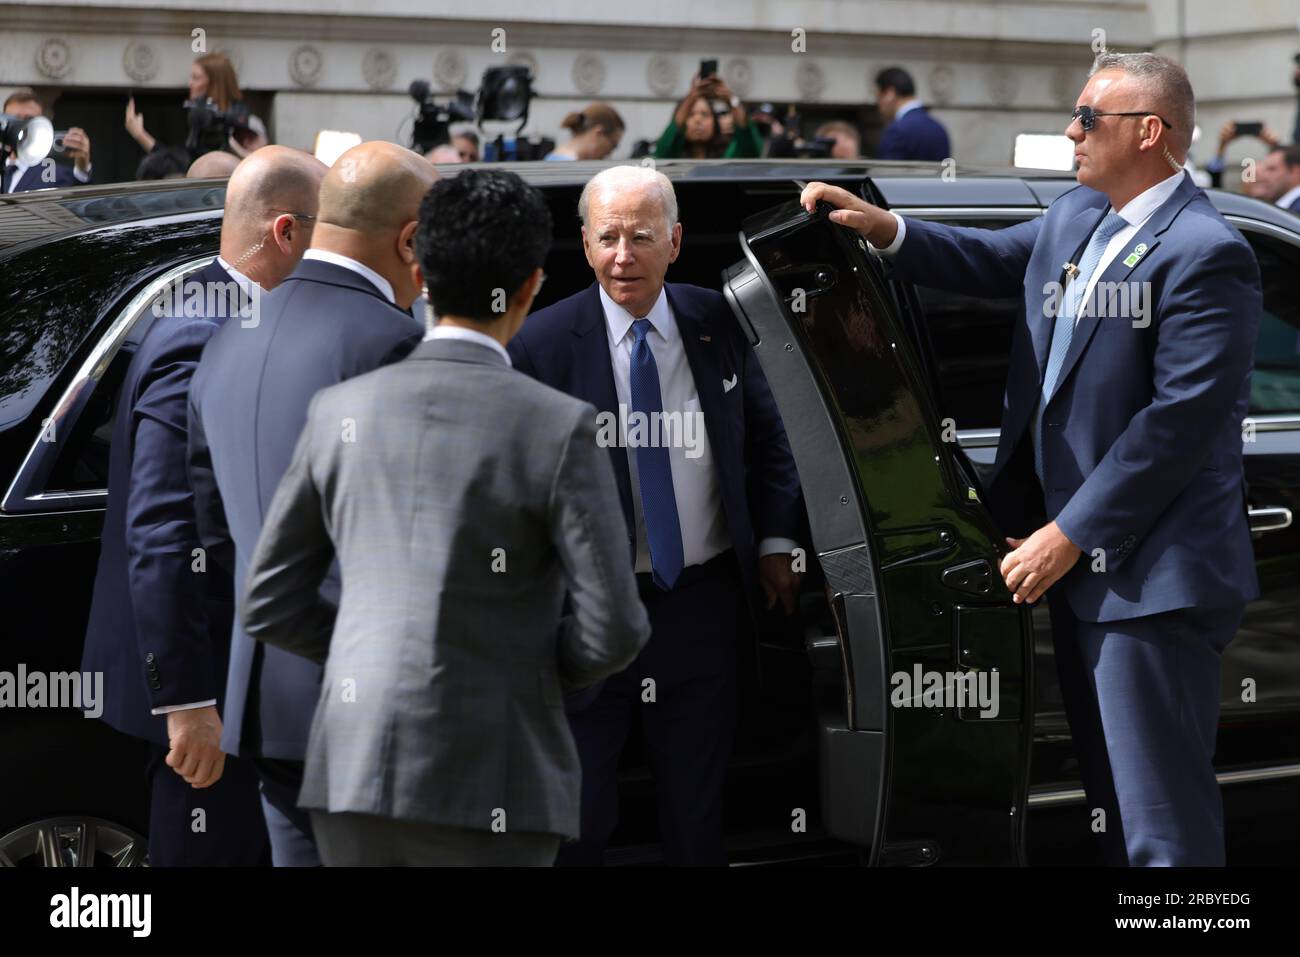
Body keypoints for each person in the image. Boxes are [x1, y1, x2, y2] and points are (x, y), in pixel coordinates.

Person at [803, 52, 1260, 866]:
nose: (1070, 131)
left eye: (1088, 117)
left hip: (1150, 580)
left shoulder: (1204, 250)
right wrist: (885, 229)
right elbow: (992, 260)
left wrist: (1069, 533)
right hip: (1084, 575)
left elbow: (1178, 422)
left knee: (1160, 822)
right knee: (1112, 804)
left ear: (1149, 131)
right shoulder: (1080, 212)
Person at [241, 168, 651, 866]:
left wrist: (374, 655)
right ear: (531, 286)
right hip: (495, 775)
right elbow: (615, 626)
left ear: (420, 273)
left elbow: (270, 598)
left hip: (352, 774)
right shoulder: (557, 426)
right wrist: (519, 671)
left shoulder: (339, 410)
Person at [508, 165, 803, 865]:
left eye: (641, 237)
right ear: (584, 243)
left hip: (700, 602)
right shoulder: (540, 345)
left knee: (695, 814)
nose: (622, 256)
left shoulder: (720, 321)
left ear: (674, 242)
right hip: (587, 609)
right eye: (607, 237)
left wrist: (777, 540)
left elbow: (773, 436)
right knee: (581, 817)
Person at [187, 141, 433, 866]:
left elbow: (215, 532)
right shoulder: (397, 344)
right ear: (410, 240)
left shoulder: (226, 340)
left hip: (266, 702)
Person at [80, 146, 326, 867]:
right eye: (332, 229)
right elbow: (163, 526)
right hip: (210, 687)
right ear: (286, 232)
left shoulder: (230, 315)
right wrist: (187, 703)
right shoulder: (203, 332)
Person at [126, 52, 247, 161]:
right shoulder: (196, 116)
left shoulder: (237, 121)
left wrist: (140, 135)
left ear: (214, 84)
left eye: (196, 78)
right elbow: (180, 163)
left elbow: (181, 166)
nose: (190, 83)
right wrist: (139, 134)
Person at [654, 73, 762, 159]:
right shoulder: (672, 158)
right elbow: (665, 146)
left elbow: (748, 142)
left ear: (715, 122)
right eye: (690, 114)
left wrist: (730, 99)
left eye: (705, 114)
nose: (698, 120)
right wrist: (691, 97)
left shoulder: (727, 158)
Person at [2, 89, 92, 192]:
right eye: (15, 119)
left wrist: (82, 169)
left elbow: (78, 195)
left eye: (29, 120)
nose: (22, 127)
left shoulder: (55, 174)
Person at [874, 66, 951, 162]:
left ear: (890, 93)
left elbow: (885, 170)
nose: (878, 105)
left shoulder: (896, 130)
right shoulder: (939, 128)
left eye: (878, 97)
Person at [546, 103, 624, 160]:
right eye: (613, 145)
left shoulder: (553, 158)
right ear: (598, 134)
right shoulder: (570, 167)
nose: (609, 154)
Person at [1253, 144, 1300, 213]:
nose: (1264, 176)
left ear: (1295, 172)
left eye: (1272, 169)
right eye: (1265, 170)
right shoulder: (1289, 208)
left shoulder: (1296, 211)